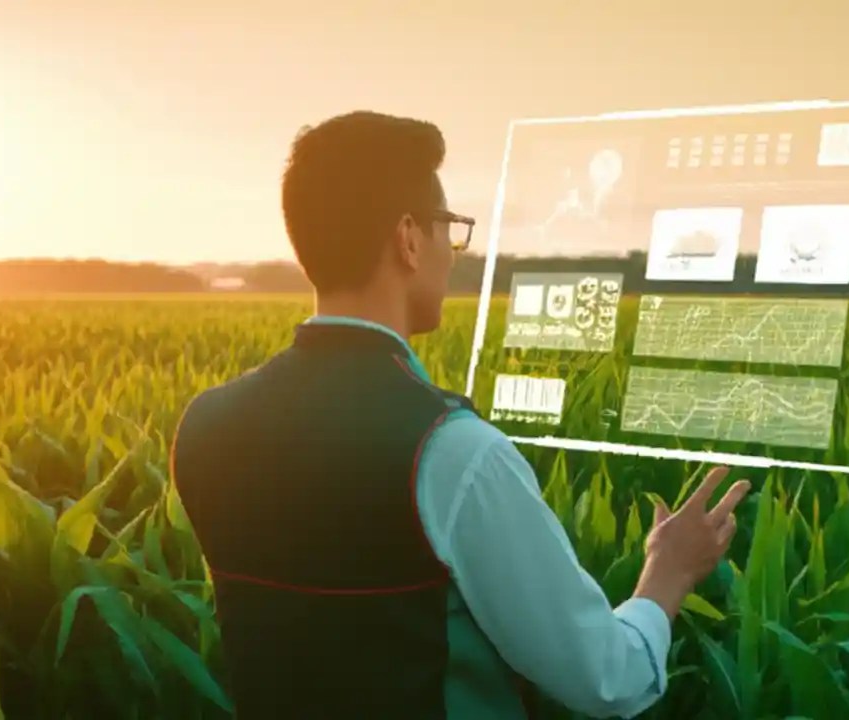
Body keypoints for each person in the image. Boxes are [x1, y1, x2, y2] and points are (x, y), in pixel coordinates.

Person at [169, 110, 752, 720]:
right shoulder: (452, 453)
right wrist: (668, 569)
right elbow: (607, 677)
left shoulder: (208, 424)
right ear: (409, 238)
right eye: (448, 227)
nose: (452, 251)